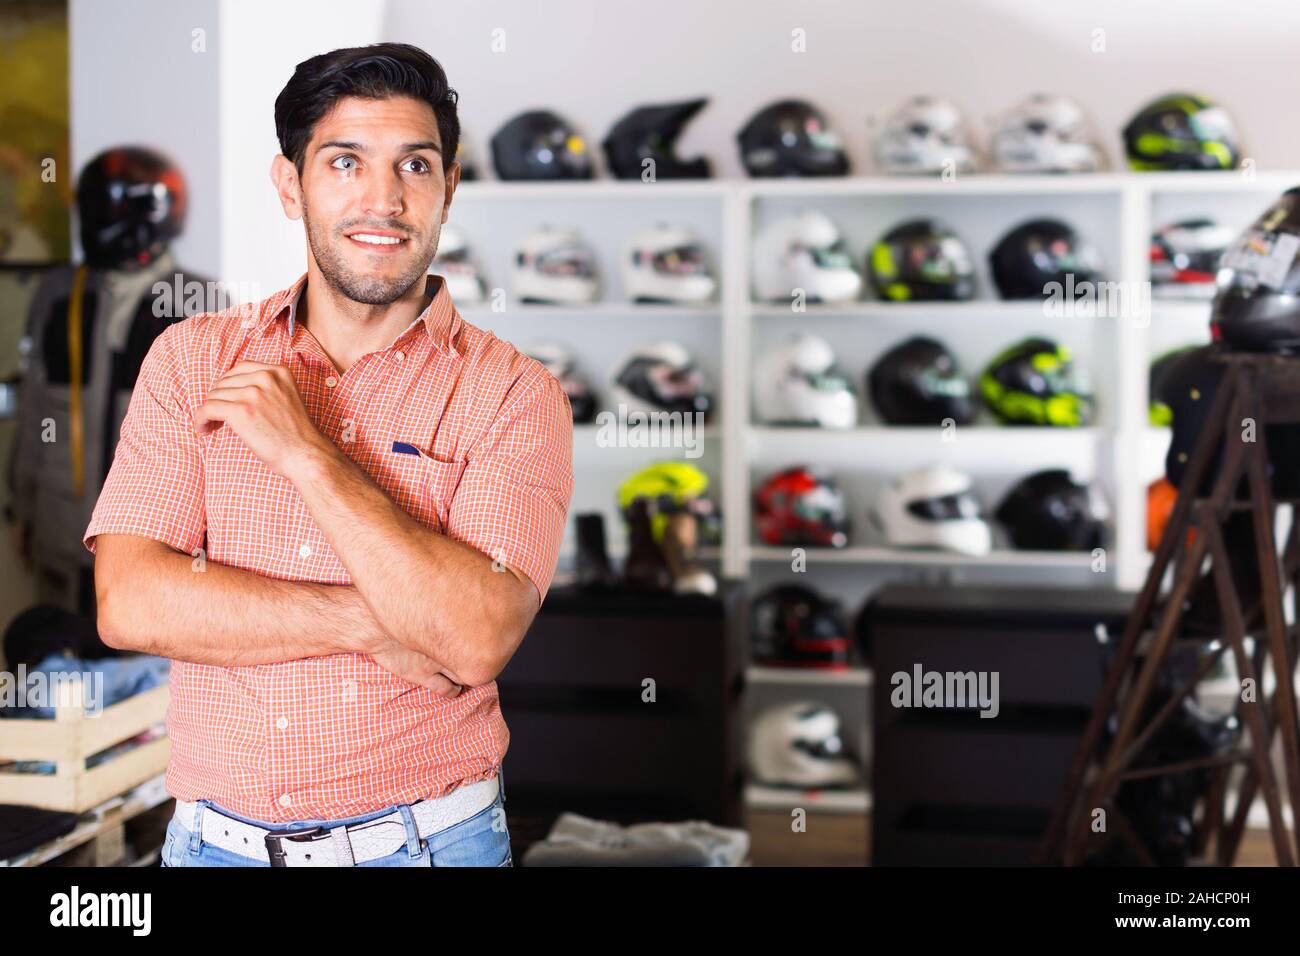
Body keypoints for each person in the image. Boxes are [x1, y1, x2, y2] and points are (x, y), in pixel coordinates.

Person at [84, 43, 574, 867]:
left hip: (426, 846)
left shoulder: (516, 395)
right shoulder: (190, 360)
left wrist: (306, 452)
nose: (383, 200)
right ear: (291, 185)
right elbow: (130, 602)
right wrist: (369, 619)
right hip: (212, 847)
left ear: (448, 189)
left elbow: (478, 636)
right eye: (345, 162)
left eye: (415, 166)